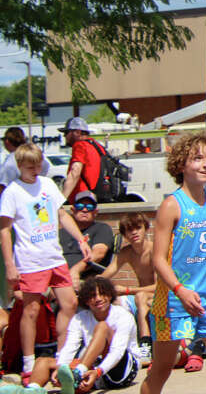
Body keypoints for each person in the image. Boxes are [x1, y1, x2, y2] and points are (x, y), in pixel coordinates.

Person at [140, 132, 206, 394]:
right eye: (197, 158)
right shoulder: (171, 206)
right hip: (173, 303)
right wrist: (180, 290)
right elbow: (158, 259)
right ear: (181, 165)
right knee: (162, 369)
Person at [0, 142, 88, 385]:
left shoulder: (48, 184)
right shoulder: (12, 192)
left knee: (69, 303)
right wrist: (10, 265)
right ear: (20, 166)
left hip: (54, 256)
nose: (35, 171)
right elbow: (4, 230)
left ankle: (61, 357)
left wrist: (80, 239)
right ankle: (29, 363)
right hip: (30, 260)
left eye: (38, 165)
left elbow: (61, 214)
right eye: (30, 167)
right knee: (31, 310)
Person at [26, 276, 140, 392]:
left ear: (110, 296)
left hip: (121, 370)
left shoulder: (123, 315)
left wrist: (97, 372)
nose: (98, 299)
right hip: (92, 368)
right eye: (93, 296)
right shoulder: (79, 318)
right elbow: (70, 346)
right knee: (43, 362)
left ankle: (78, 374)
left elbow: (117, 352)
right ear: (86, 300)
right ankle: (31, 390)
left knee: (102, 327)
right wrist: (61, 367)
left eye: (102, 294)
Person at [101, 213, 157, 365]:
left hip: (160, 296)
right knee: (114, 302)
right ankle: (119, 348)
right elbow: (107, 273)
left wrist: (127, 290)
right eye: (129, 230)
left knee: (140, 296)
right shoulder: (126, 252)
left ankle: (145, 345)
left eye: (138, 228)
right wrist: (91, 283)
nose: (134, 233)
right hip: (140, 297)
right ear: (124, 235)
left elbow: (159, 286)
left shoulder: (155, 250)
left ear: (146, 228)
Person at [60, 190, 114, 284]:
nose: (84, 210)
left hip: (87, 280)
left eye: (89, 207)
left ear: (95, 212)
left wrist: (75, 270)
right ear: (73, 210)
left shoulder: (102, 228)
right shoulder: (61, 233)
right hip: (59, 277)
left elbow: (98, 254)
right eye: (80, 206)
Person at [59, 117, 103, 204]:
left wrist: (61, 200)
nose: (64, 136)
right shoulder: (96, 146)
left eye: (66, 132)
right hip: (94, 197)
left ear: (77, 132)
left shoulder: (80, 145)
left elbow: (75, 172)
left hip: (82, 200)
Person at [0, 127, 50, 198]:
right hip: (39, 195)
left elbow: (3, 188)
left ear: (7, 141)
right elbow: (46, 166)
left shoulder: (9, 163)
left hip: (18, 198)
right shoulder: (35, 156)